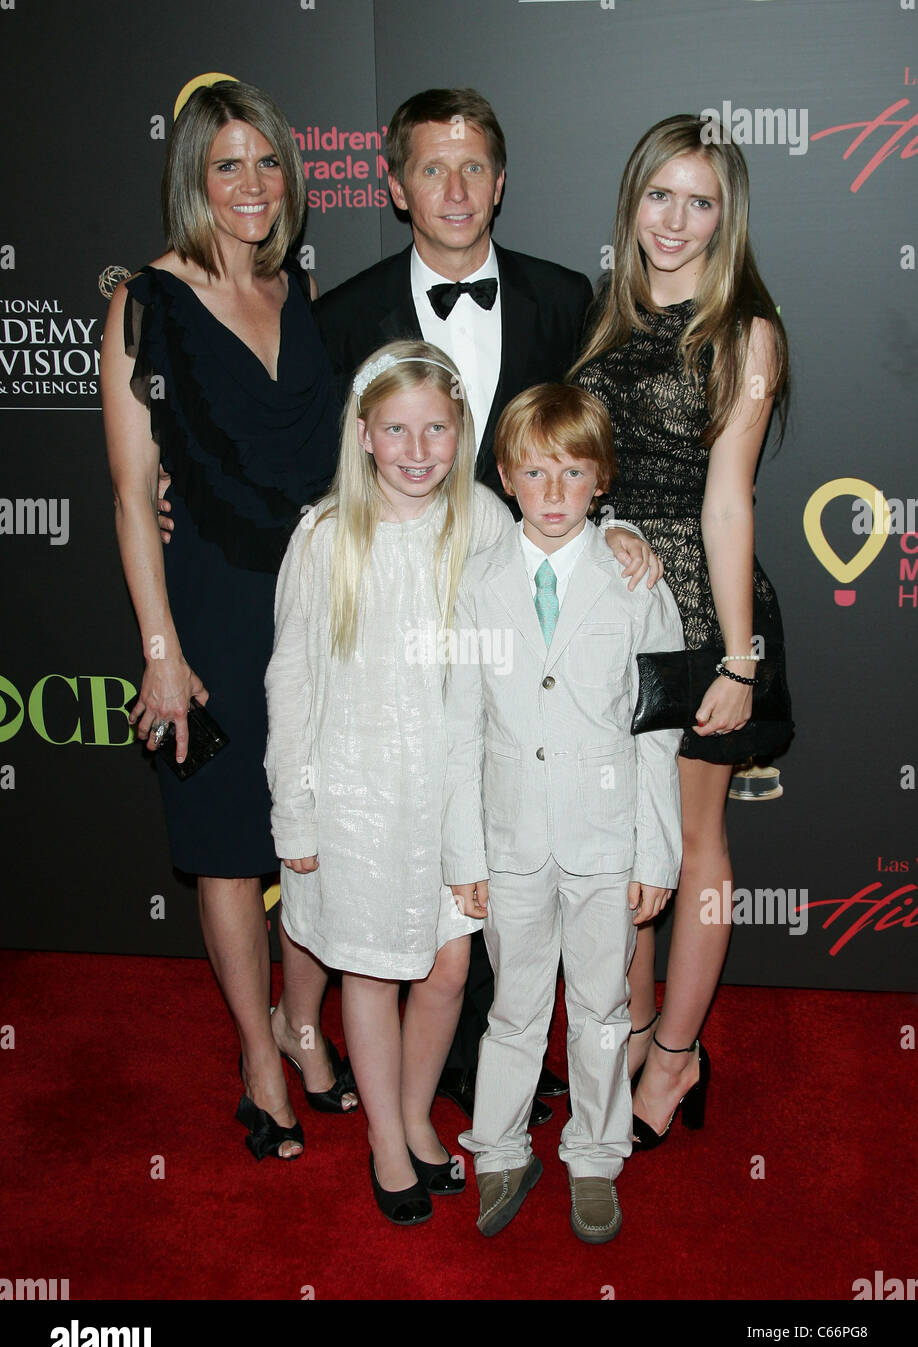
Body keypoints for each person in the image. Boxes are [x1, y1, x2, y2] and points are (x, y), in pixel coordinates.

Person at [308, 87, 662, 1122]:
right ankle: (433, 1060)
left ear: (500, 183)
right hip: (398, 619)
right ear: (393, 183)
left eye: (474, 169)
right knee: (431, 821)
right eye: (431, 167)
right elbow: (311, 466)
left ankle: (510, 1044)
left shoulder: (566, 300)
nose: (455, 189)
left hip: (530, 614)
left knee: (519, 813)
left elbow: (601, 440)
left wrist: (620, 524)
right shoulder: (342, 316)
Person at [100, 79, 353, 1164]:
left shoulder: (297, 285)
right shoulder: (143, 302)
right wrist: (163, 652)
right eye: (227, 165)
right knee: (224, 848)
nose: (253, 185)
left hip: (318, 605)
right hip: (207, 604)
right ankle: (258, 1052)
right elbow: (129, 492)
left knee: (319, 839)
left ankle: (305, 1023)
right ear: (192, 178)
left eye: (267, 164)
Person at [571, 114, 791, 1147]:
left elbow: (728, 504)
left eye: (700, 200)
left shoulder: (745, 330)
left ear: (726, 215)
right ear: (633, 199)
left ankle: (676, 1058)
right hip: (608, 616)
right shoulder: (597, 314)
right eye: (660, 193)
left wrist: (739, 659)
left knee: (696, 844)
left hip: (703, 615)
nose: (676, 219)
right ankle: (632, 1028)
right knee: (625, 849)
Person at [265, 341, 514, 1223]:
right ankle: (382, 1137)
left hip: (453, 798)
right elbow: (289, 683)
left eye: (436, 429)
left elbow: (552, 570)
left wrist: (626, 540)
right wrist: (293, 818)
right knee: (368, 972)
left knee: (449, 968)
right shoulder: (326, 535)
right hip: (356, 800)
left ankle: (413, 1116)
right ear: (364, 435)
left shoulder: (482, 520)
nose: (417, 449)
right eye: (397, 429)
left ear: (460, 432)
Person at [442, 384, 683, 1241]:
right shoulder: (475, 581)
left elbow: (657, 728)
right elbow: (459, 725)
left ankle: (594, 1154)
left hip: (607, 836)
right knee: (512, 1003)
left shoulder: (633, 576)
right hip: (507, 837)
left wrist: (659, 854)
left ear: (600, 479)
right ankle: (499, 1147)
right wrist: (462, 852)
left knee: (601, 1007)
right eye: (535, 472)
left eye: (572, 473)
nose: (552, 492)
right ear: (505, 476)